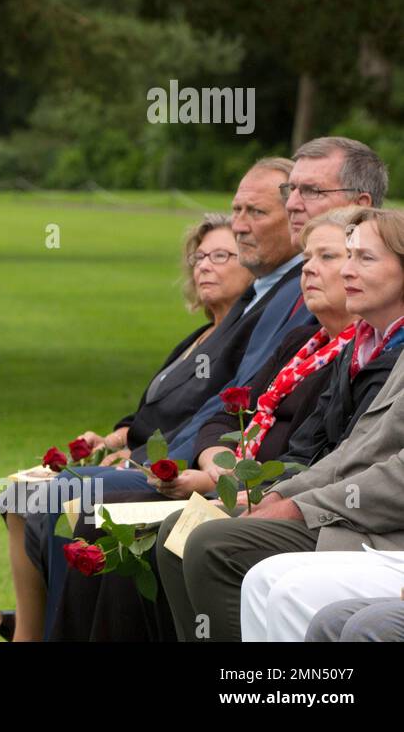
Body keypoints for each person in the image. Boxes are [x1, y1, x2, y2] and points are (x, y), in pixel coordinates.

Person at [50, 208, 358, 640]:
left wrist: (231, 483)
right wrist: (217, 463)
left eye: (326, 257)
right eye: (306, 257)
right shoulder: (301, 342)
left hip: (272, 495)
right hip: (229, 477)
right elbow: (224, 409)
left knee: (139, 527)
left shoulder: (356, 358)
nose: (308, 268)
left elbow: (320, 455)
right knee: (94, 515)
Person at [0, 213, 254, 640]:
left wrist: (138, 458)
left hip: (160, 466)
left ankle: (47, 626)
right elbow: (147, 414)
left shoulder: (241, 342)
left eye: (222, 255)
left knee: (61, 501)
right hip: (135, 454)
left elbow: (197, 419)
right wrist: (110, 438)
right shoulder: (198, 338)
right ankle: (31, 624)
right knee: (15, 492)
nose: (205, 264)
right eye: (200, 256)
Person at [158, 206, 404, 643]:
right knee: (177, 530)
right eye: (340, 256)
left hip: (373, 529)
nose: (344, 270)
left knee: (214, 546)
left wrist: (291, 502)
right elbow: (332, 451)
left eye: (362, 258)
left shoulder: (382, 352)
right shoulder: (339, 344)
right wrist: (273, 492)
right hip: (326, 502)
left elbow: (376, 471)